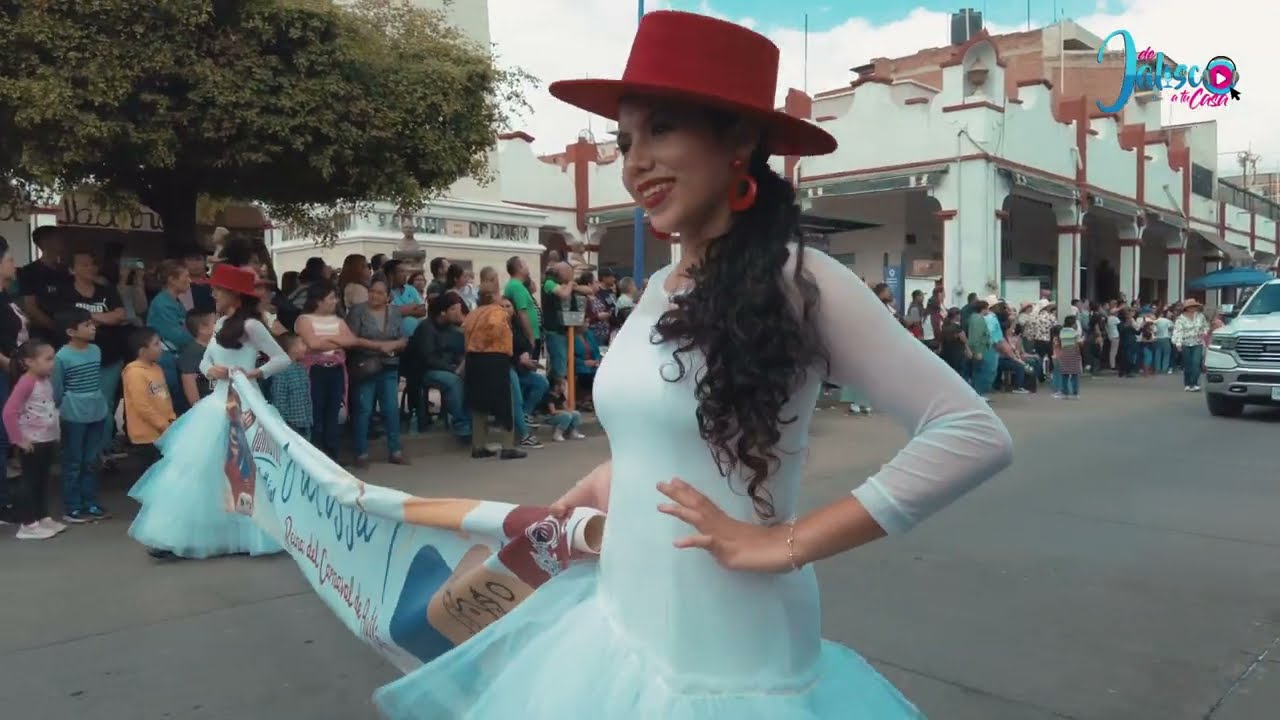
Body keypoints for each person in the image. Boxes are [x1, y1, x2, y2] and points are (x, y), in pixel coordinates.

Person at [373, 12, 1011, 718]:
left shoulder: (803, 280)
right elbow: (679, 432)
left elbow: (970, 433)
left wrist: (787, 544)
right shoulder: (656, 289)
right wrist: (613, 476)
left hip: (729, 654)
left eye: (662, 128)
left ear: (739, 138)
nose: (635, 161)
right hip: (621, 621)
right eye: (625, 139)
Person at [126, 264, 290, 560]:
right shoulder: (219, 323)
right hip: (216, 403)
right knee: (199, 470)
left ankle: (249, 532)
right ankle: (178, 535)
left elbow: (282, 359)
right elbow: (205, 364)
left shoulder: (253, 325)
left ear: (234, 294)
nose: (212, 293)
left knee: (244, 469)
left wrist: (252, 373)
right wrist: (213, 370)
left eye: (217, 289)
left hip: (243, 404)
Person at [51, 308, 109, 523]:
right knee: (74, 460)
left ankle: (90, 501)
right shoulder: (62, 356)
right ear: (70, 331)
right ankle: (73, 505)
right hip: (73, 413)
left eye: (92, 323)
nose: (92, 327)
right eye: (86, 325)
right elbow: (57, 387)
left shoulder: (96, 350)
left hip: (97, 410)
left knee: (91, 459)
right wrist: (58, 410)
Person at [3, 340, 63, 540]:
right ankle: (28, 524)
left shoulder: (44, 379)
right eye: (47, 359)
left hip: (47, 438)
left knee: (43, 479)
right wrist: (18, 439)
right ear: (29, 362)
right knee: (29, 482)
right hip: (32, 442)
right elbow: (9, 412)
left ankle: (42, 516)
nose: (52, 363)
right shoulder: (26, 382)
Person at [121, 328, 176, 459]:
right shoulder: (134, 373)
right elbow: (142, 405)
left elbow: (165, 398)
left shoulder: (157, 368)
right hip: (146, 437)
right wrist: (163, 425)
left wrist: (171, 420)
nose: (161, 347)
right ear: (142, 351)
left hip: (163, 431)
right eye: (156, 344)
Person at [269, 334, 314, 437]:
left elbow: (307, 397)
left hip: (304, 423)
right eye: (302, 344)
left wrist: (309, 419)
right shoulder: (281, 371)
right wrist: (283, 425)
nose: (306, 348)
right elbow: (279, 400)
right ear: (293, 349)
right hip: (290, 425)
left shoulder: (302, 369)